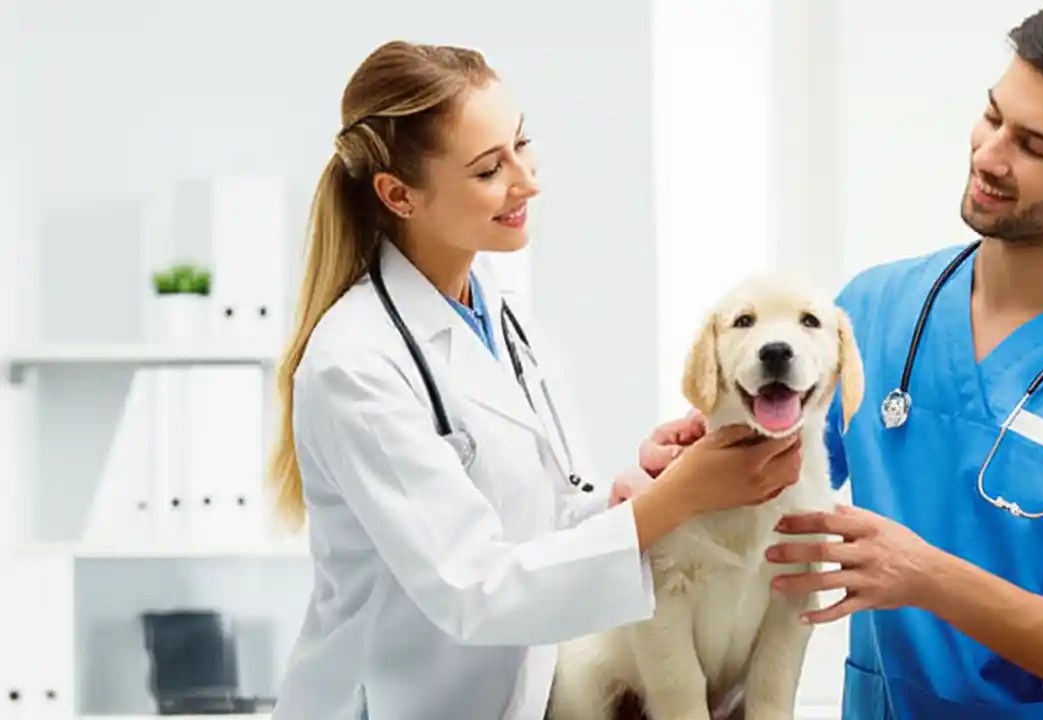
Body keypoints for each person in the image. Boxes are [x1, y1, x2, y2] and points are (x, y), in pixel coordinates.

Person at [641, 3, 1043, 719]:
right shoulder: (873, 310)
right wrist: (688, 461)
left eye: (1034, 145)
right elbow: (770, 471)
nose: (991, 155)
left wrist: (928, 577)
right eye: (993, 117)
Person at [265, 41, 803, 720]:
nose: (527, 181)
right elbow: (474, 587)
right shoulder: (356, 364)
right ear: (398, 194)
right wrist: (672, 504)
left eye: (522, 146)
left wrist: (642, 489)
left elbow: (543, 522)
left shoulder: (508, 326)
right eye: (490, 169)